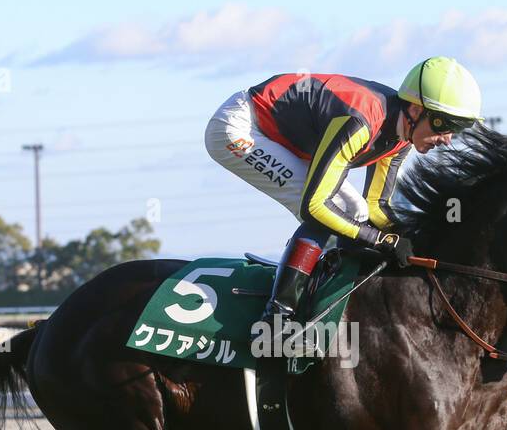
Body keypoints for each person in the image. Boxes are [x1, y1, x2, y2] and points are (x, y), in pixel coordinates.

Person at [205, 57, 482, 324]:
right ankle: (278, 317)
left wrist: (411, 236)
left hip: (282, 136)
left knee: (356, 210)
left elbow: (376, 205)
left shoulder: (402, 137)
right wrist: (380, 240)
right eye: (444, 125)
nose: (447, 139)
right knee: (329, 209)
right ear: (415, 110)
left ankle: (342, 301)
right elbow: (314, 205)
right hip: (241, 128)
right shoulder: (360, 122)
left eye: (456, 129)